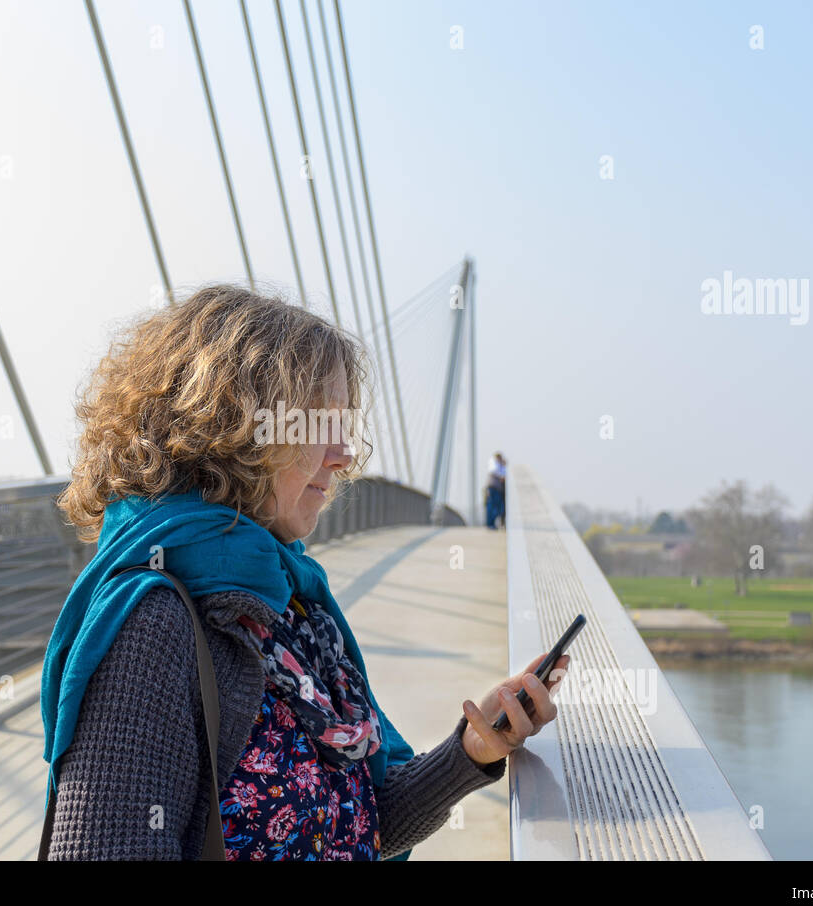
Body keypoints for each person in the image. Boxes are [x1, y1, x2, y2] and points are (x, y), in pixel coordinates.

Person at [40, 285, 567, 860]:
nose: (345, 455)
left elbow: (355, 823)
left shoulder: (292, 605)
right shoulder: (153, 629)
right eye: (321, 424)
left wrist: (473, 749)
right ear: (237, 430)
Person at [484, 452, 507, 529]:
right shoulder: (493, 463)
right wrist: (501, 475)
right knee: (493, 507)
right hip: (493, 488)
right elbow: (493, 471)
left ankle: (491, 524)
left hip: (497, 489)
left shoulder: (500, 465)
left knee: (497, 507)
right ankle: (490, 524)